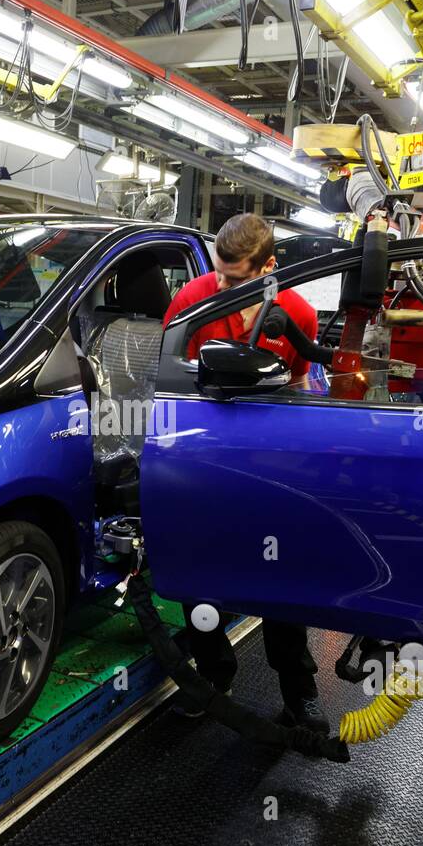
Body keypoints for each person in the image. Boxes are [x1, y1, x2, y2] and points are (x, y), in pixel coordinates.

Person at [160, 213, 327, 734]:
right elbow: (166, 379)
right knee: (198, 577)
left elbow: (301, 388)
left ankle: (299, 695)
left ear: (269, 267)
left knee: (280, 583)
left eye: (235, 280)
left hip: (268, 469)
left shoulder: (297, 312)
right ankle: (214, 679)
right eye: (220, 274)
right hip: (205, 464)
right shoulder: (193, 299)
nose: (222, 287)